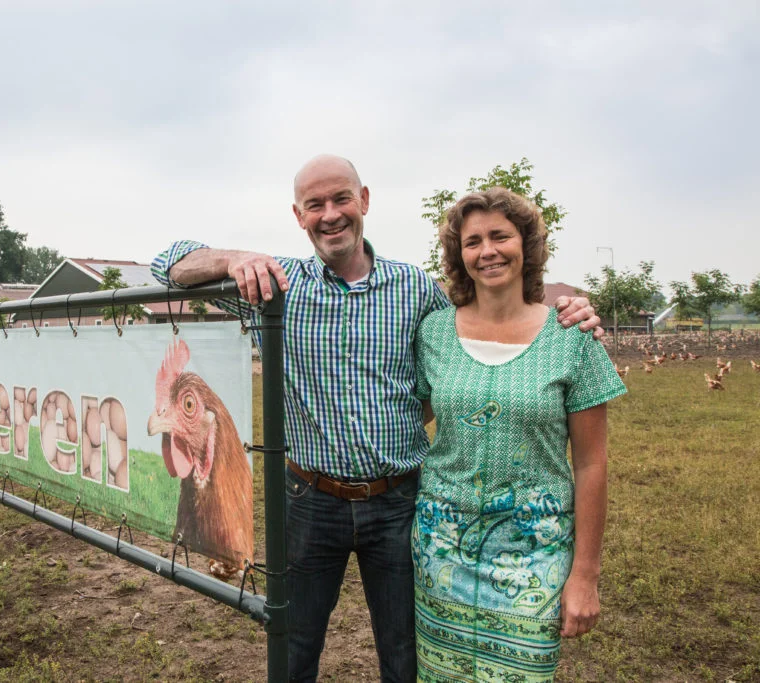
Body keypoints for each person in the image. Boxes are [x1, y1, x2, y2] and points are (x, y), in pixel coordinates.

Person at [151, 155, 601, 683]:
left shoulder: (415, 289)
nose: (330, 214)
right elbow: (169, 263)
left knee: (404, 651)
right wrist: (235, 260)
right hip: (310, 499)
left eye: (341, 198)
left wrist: (568, 307)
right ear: (298, 216)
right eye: (314, 204)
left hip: (399, 502)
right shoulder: (274, 285)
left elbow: (487, 306)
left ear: (364, 200)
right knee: (293, 646)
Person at [412, 187, 626, 681]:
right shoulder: (434, 333)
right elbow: (408, 417)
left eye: (500, 236)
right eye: (472, 241)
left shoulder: (573, 336)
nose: (487, 251)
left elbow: (592, 464)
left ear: (525, 246)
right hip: (438, 555)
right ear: (459, 255)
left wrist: (585, 575)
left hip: (534, 557)